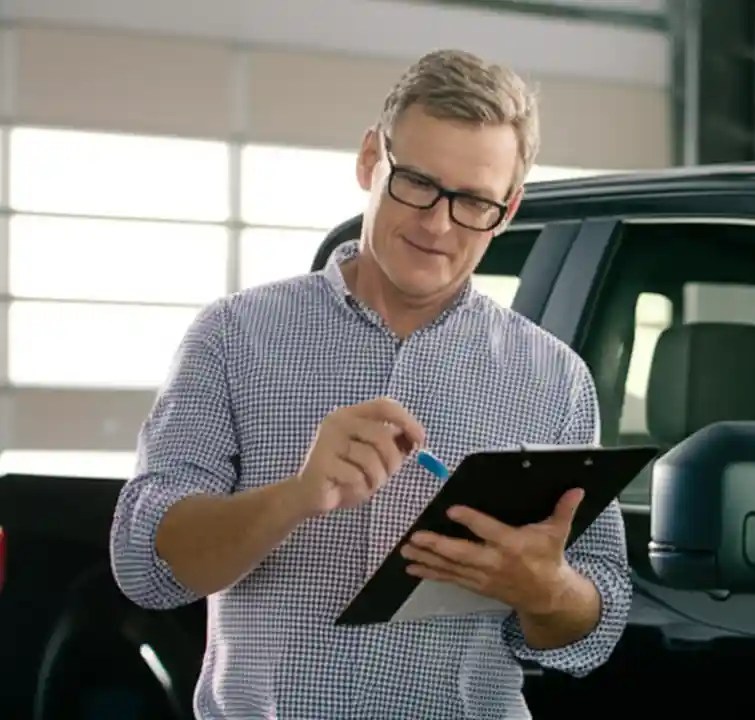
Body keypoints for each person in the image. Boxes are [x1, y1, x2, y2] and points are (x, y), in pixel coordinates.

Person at [108, 48, 631, 719]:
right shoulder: (235, 335)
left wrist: (547, 589)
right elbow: (145, 569)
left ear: (507, 209)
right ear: (369, 161)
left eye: (472, 201)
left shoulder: (555, 380)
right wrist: (296, 496)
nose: (437, 224)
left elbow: (595, 627)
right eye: (416, 182)